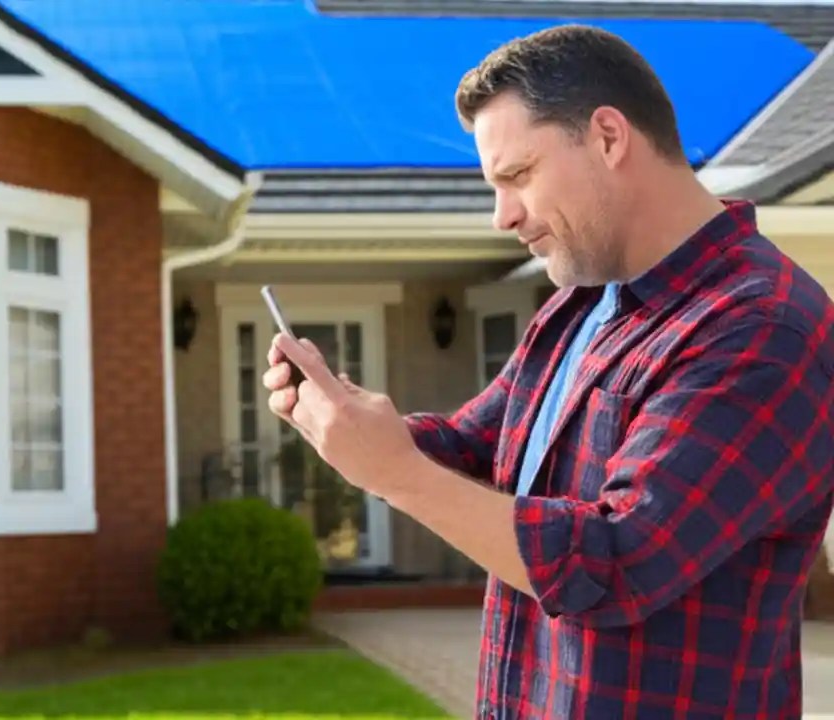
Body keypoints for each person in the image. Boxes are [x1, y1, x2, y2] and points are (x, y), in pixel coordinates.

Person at [263, 23, 834, 720]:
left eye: (518, 176)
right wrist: (351, 422)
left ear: (608, 137)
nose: (502, 216)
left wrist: (394, 472)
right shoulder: (584, 302)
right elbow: (478, 451)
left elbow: (618, 562)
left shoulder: (762, 329)